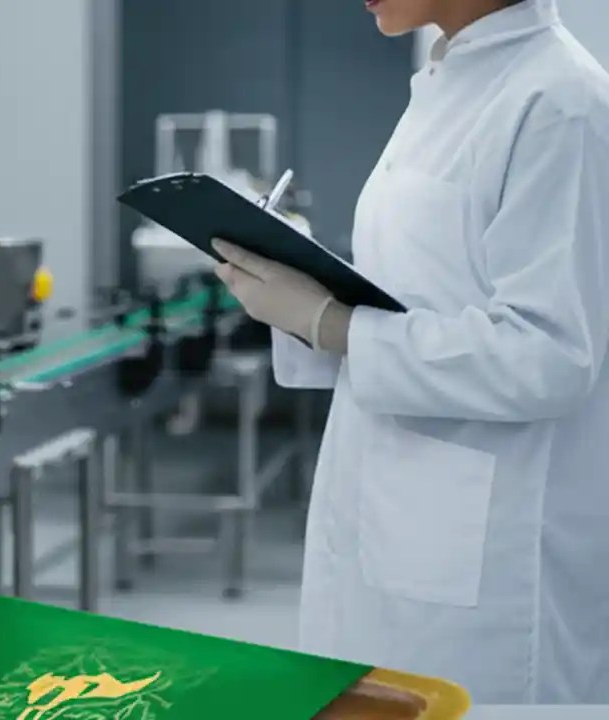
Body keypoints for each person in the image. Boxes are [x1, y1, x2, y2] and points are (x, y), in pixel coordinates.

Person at [210, 0, 609, 705]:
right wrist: (301, 296)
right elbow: (421, 295)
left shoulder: (560, 101)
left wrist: (333, 324)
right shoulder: (448, 82)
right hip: (388, 511)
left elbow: (550, 357)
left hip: (488, 562)